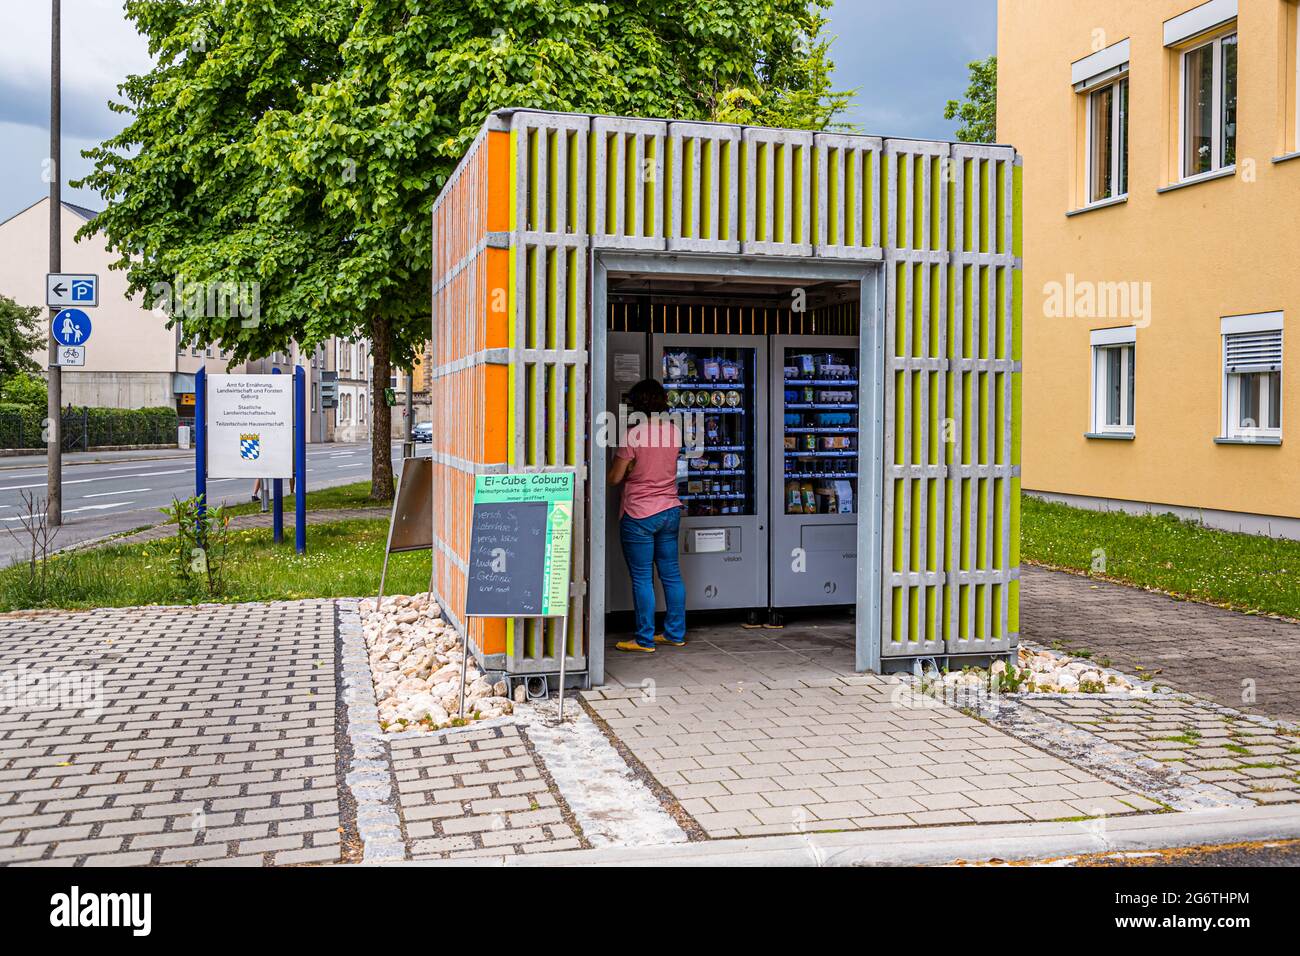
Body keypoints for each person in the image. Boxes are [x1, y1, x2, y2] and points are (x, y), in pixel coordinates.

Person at [607, 379, 686, 653]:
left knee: (642, 578)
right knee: (671, 575)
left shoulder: (633, 435)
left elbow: (614, 478)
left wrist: (628, 471)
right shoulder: (674, 432)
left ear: (637, 404)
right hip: (670, 510)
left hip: (639, 513)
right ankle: (675, 633)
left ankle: (644, 639)